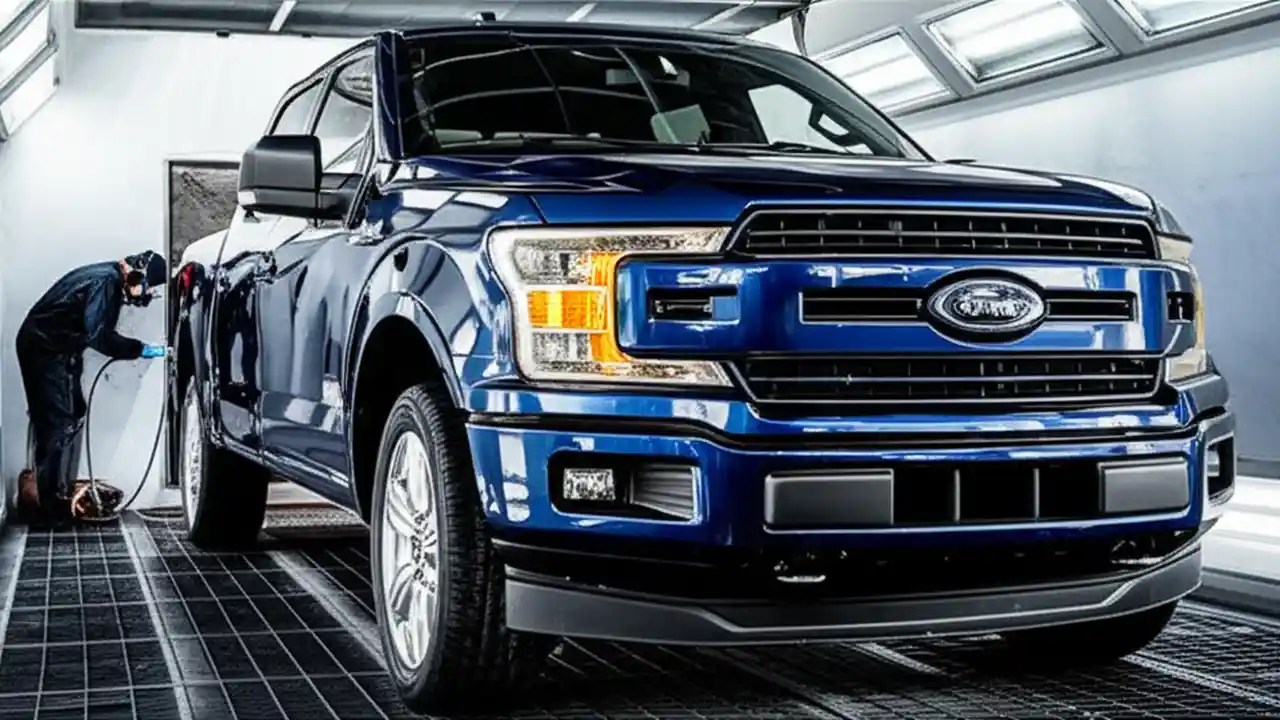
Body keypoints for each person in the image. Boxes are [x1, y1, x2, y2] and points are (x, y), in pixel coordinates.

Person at [15, 250, 168, 528]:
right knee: (59, 423)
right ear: (137, 274)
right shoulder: (107, 282)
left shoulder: (107, 277)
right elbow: (99, 335)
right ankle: (50, 512)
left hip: (56, 348)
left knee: (72, 415)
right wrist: (140, 349)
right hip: (44, 349)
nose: (144, 294)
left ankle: (56, 500)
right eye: (145, 287)